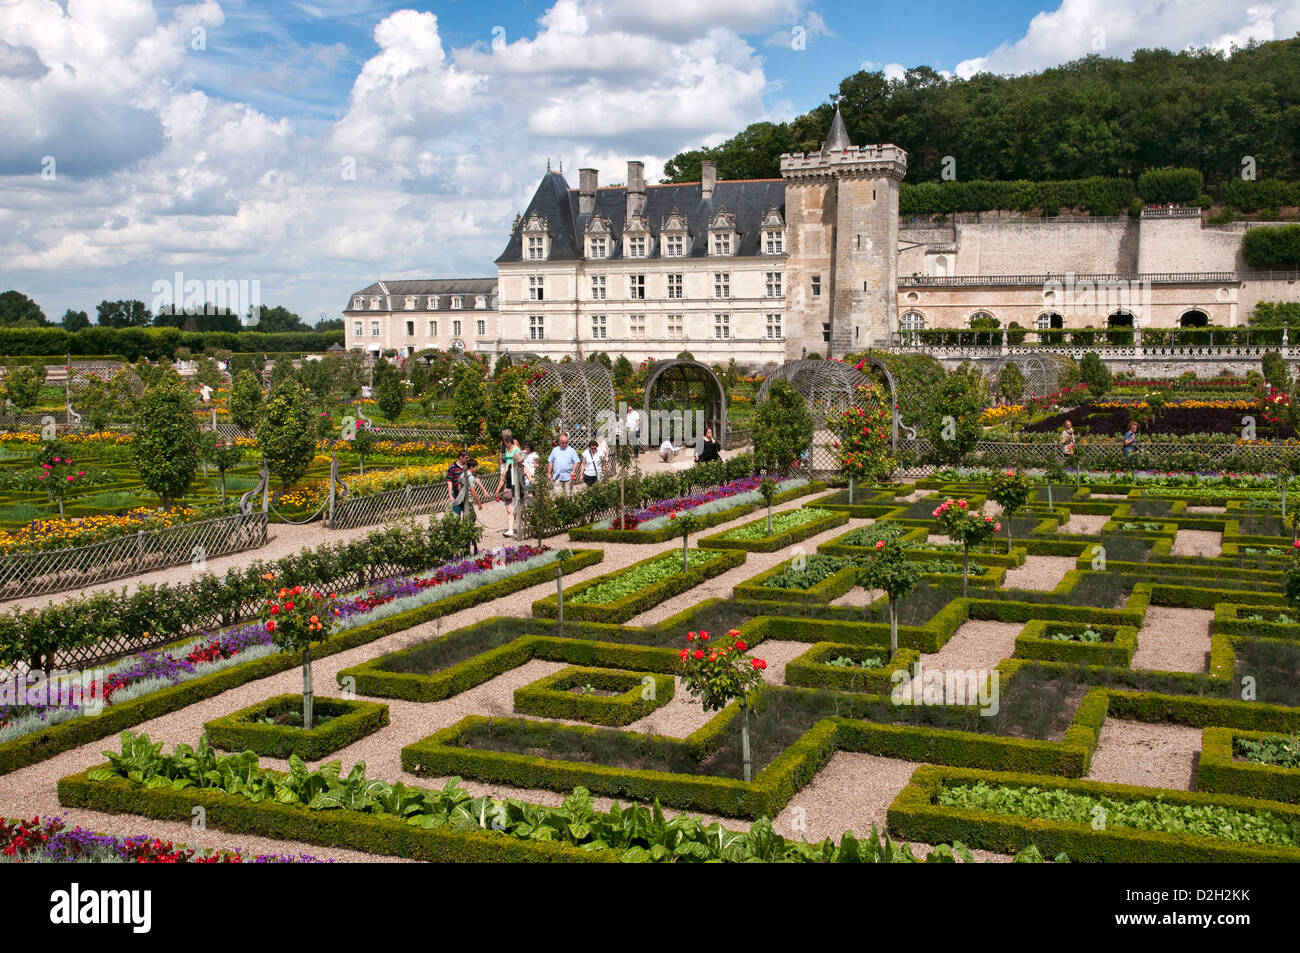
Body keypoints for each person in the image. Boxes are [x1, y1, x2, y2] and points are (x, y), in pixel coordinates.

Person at [453, 458, 488, 553]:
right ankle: (470, 544)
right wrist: (479, 503)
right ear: (472, 467)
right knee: (471, 521)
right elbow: (473, 491)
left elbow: (459, 486)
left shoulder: (462, 475)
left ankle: (472, 544)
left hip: (463, 501)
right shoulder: (471, 478)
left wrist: (462, 494)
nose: (476, 469)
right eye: (475, 467)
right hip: (469, 502)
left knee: (468, 521)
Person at [501, 437, 521, 537]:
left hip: (514, 470)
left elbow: (520, 458)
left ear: (508, 442)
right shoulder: (506, 449)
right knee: (507, 490)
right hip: (507, 469)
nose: (504, 445)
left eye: (505, 443)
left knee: (516, 495)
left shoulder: (516, 449)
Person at [495, 429, 513, 502]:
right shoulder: (502, 442)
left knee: (507, 478)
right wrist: (500, 460)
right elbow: (501, 451)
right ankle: (503, 493)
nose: (502, 437)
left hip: (510, 463)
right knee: (503, 478)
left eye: (503, 436)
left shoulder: (513, 442)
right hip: (504, 462)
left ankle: (505, 493)